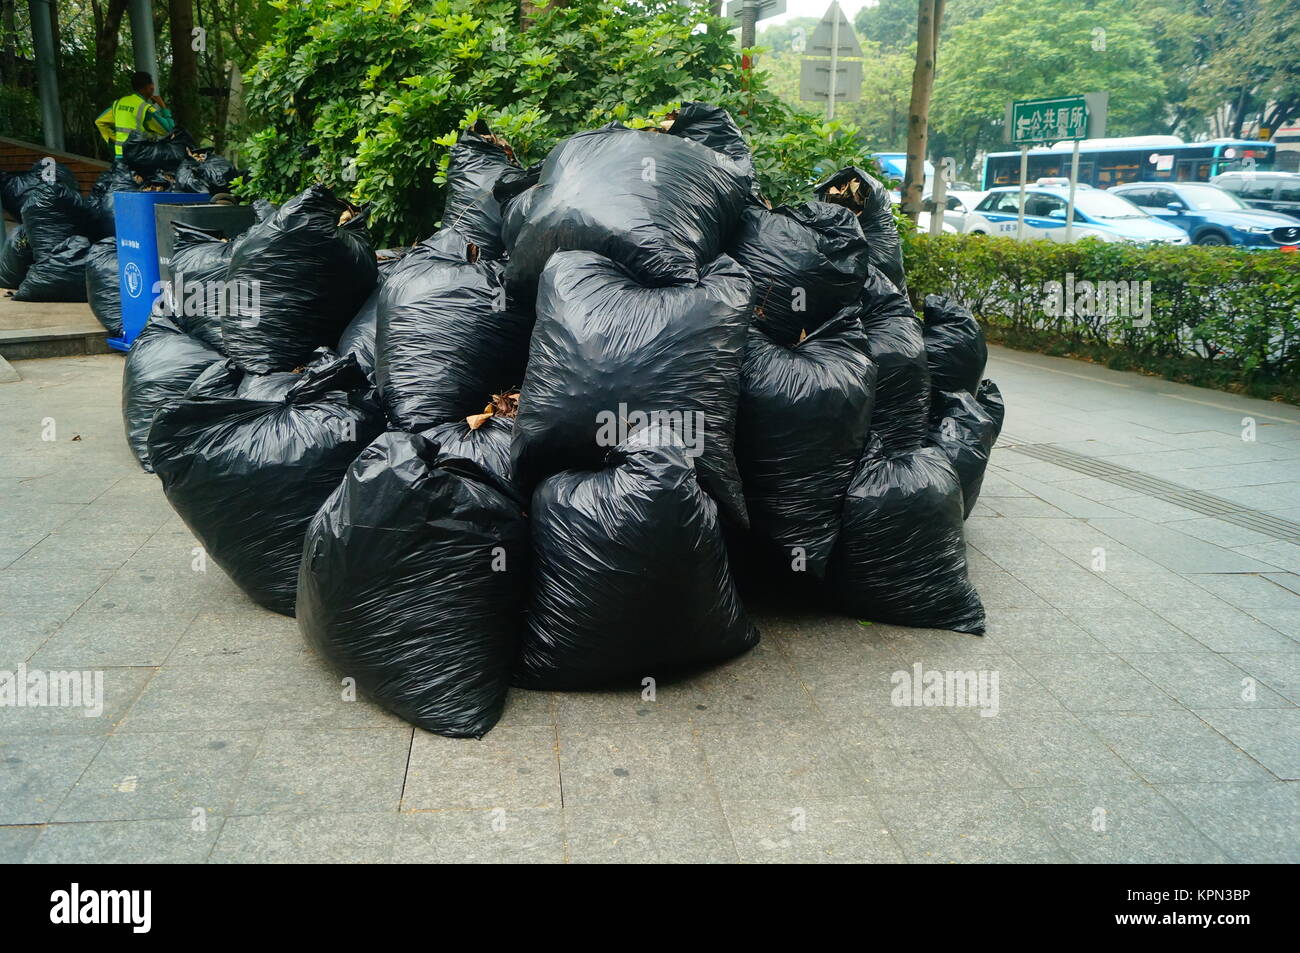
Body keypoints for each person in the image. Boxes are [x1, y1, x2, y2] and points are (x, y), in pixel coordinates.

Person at [95, 71, 176, 159]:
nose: (153, 88)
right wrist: (163, 107)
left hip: (120, 155)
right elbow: (168, 130)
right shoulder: (145, 108)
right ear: (148, 87)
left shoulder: (119, 103)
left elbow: (99, 121)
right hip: (139, 157)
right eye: (152, 84)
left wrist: (113, 141)